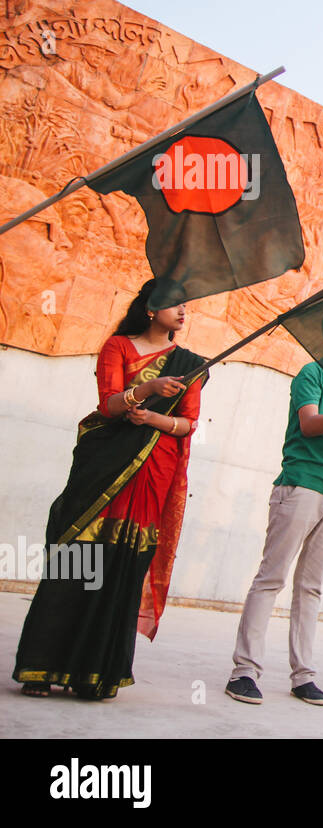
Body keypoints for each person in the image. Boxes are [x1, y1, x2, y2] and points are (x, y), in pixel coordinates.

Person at [13, 281, 204, 700]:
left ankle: (96, 674)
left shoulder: (189, 365)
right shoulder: (119, 347)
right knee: (77, 558)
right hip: (104, 466)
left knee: (122, 566)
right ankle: (41, 667)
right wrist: (149, 390)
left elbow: (189, 423)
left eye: (186, 305)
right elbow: (108, 405)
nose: (183, 310)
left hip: (152, 471)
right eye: (174, 303)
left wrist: (153, 420)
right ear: (151, 309)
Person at [226, 305, 323, 707]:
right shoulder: (312, 374)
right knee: (271, 577)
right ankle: (244, 671)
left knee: (311, 587)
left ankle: (303, 676)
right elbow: (309, 424)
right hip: (302, 484)